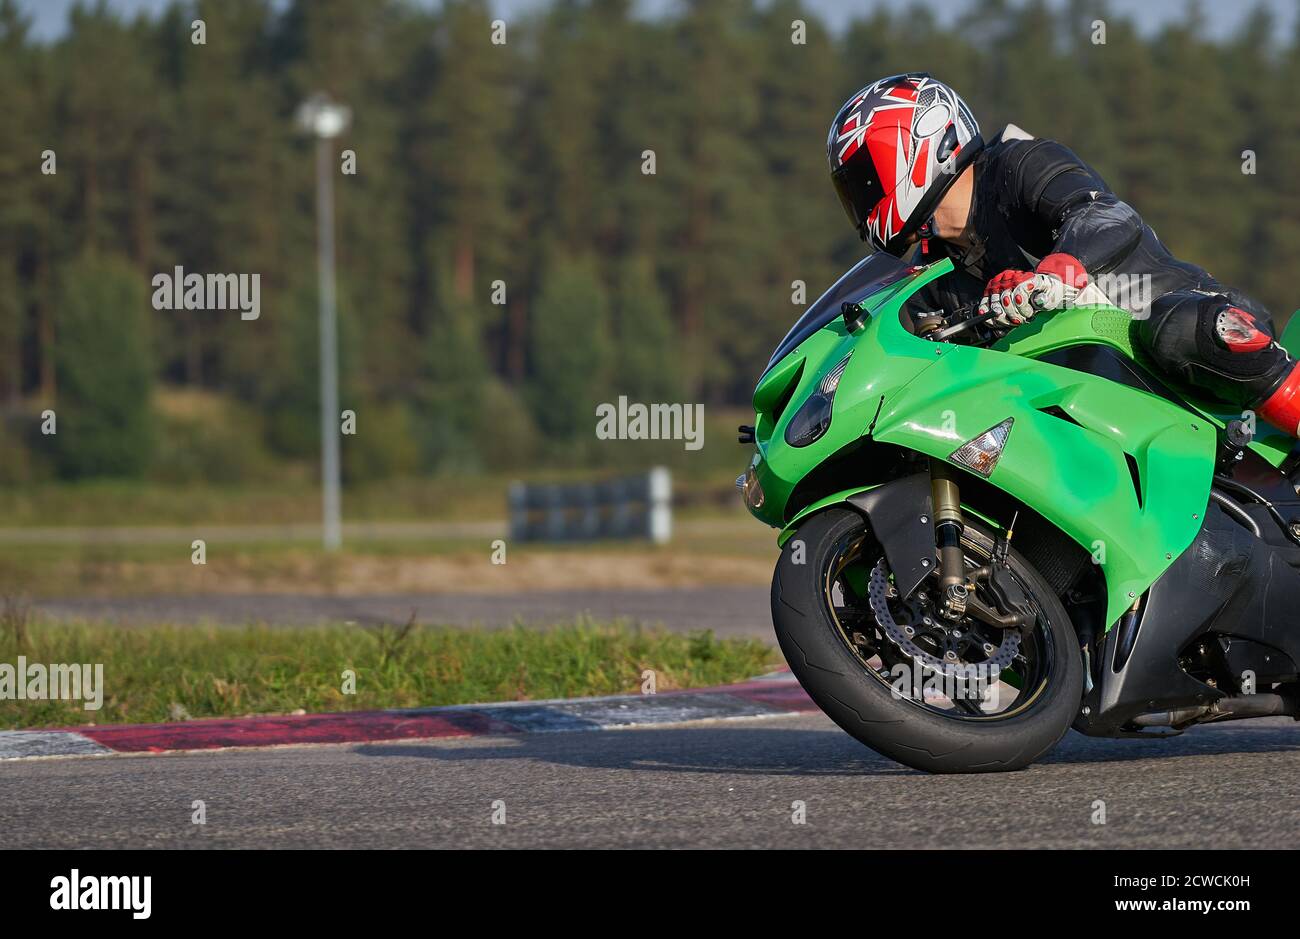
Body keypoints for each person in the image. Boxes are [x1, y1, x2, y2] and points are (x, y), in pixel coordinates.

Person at [827, 72, 1300, 437]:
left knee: (1178, 330)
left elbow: (1108, 217)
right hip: (1096, 401)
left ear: (921, 142)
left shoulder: (1020, 163)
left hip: (1188, 327)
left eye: (866, 179)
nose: (862, 200)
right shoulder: (934, 274)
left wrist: (1060, 267)